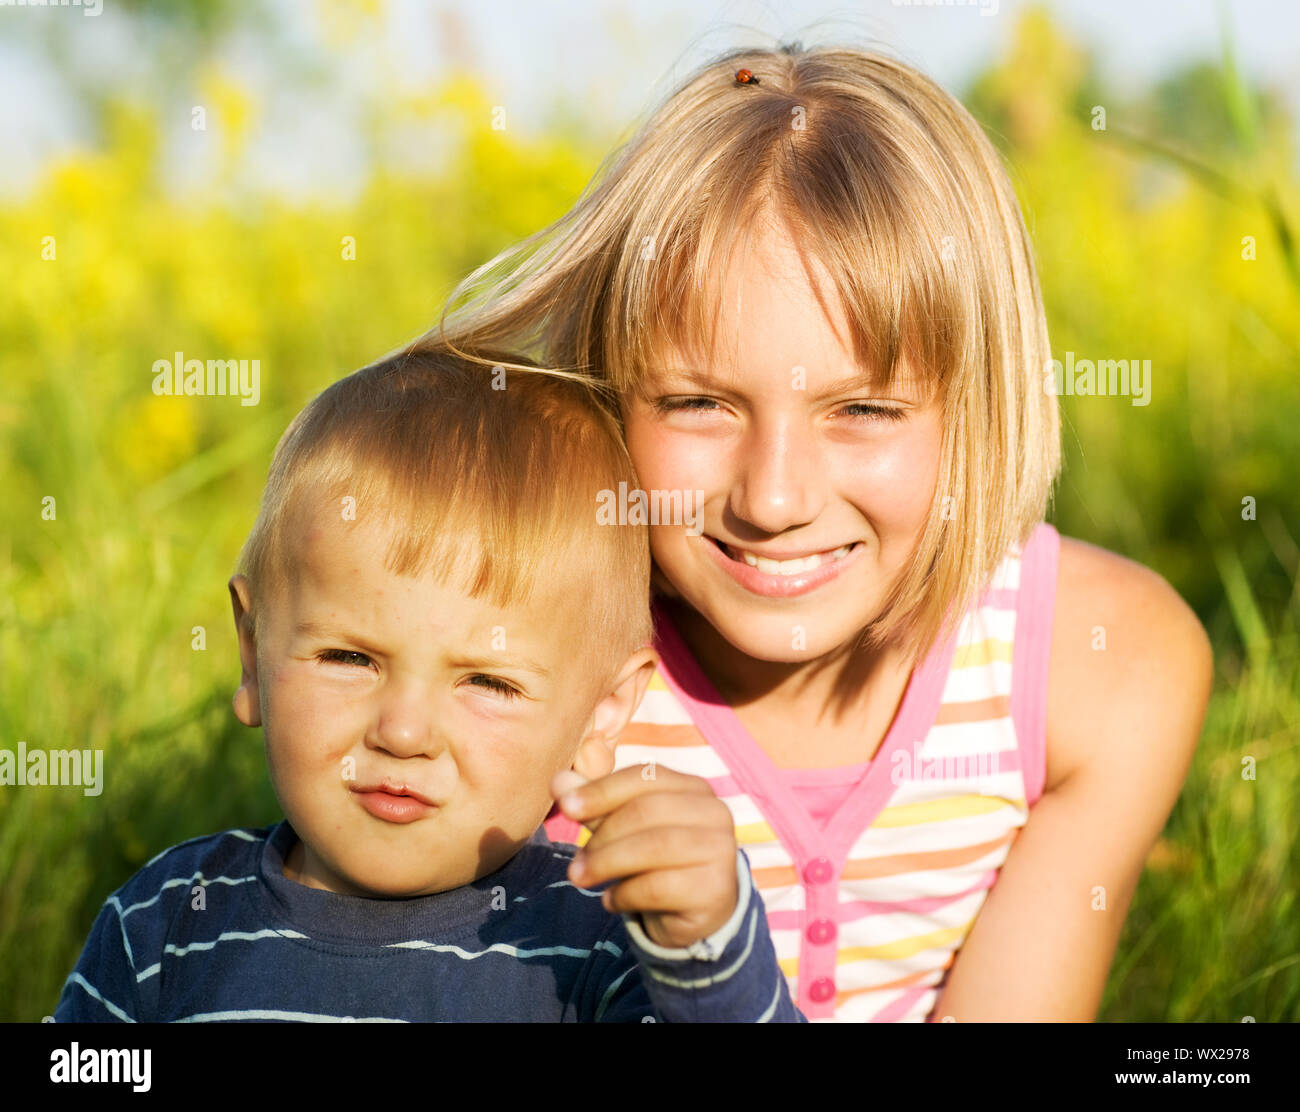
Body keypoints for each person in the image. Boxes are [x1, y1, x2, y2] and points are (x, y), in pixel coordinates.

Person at [431, 41, 1215, 1021]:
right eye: (697, 403)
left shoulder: (1099, 665)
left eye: (864, 410)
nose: (772, 496)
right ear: (606, 392)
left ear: (979, 406)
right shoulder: (541, 647)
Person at [52, 346, 803, 1022]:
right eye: (349, 659)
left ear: (601, 716)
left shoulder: (591, 945)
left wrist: (708, 946)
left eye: (487, 681)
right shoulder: (166, 921)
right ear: (252, 654)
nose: (404, 732)